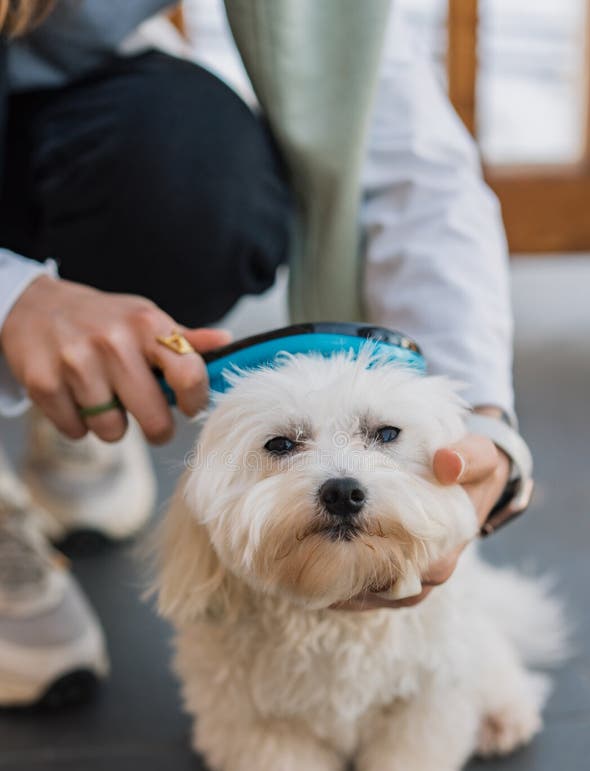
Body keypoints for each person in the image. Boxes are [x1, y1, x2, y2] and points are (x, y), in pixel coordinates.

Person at [0, 0, 531, 707]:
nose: (342, 478)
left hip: (68, 97)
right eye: (283, 444)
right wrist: (13, 299)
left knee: (192, 170)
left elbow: (399, 145)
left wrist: (486, 419)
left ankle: (83, 393)